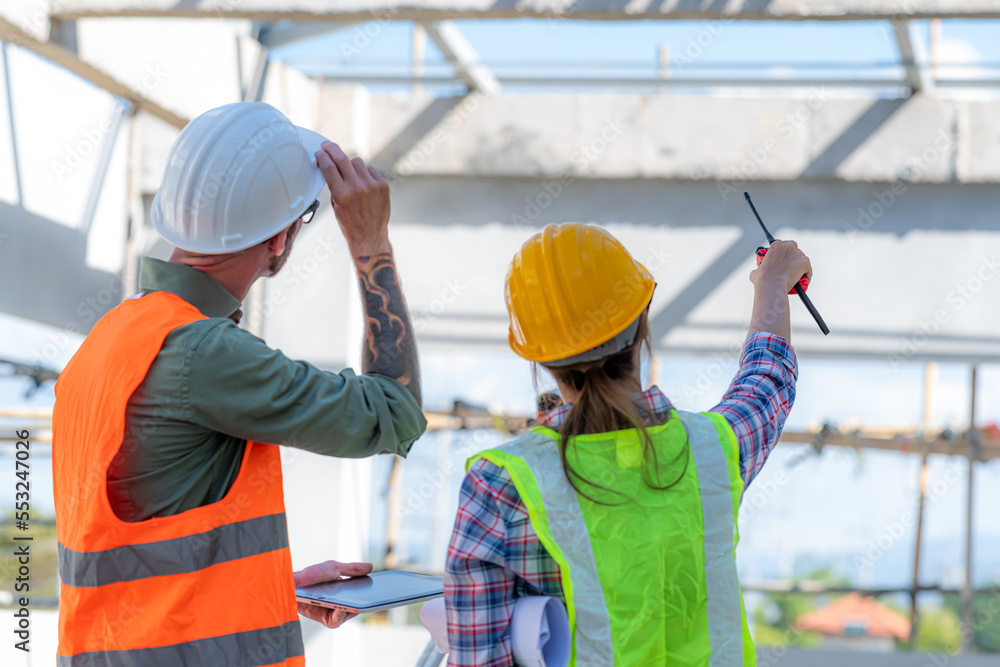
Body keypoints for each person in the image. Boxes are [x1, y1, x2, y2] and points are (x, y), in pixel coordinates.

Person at [51, 102, 426, 666]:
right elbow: (395, 413)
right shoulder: (203, 353)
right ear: (277, 240)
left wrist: (271, 587)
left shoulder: (107, 343)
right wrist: (371, 243)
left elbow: (133, 551)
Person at [444, 223, 811, 666]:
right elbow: (766, 383)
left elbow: (478, 656)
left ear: (537, 356)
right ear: (642, 323)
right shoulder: (712, 450)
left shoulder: (500, 484)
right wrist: (772, 285)